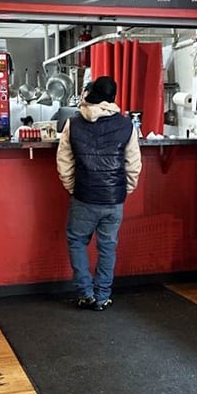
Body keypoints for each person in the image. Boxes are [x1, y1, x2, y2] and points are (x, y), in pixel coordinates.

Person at [56, 75, 142, 311]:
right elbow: (134, 163)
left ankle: (86, 293)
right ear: (113, 98)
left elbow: (64, 162)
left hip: (84, 195)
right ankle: (103, 296)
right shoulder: (126, 125)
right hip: (113, 199)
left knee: (76, 241)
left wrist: (72, 186)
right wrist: (125, 189)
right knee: (107, 247)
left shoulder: (73, 123)